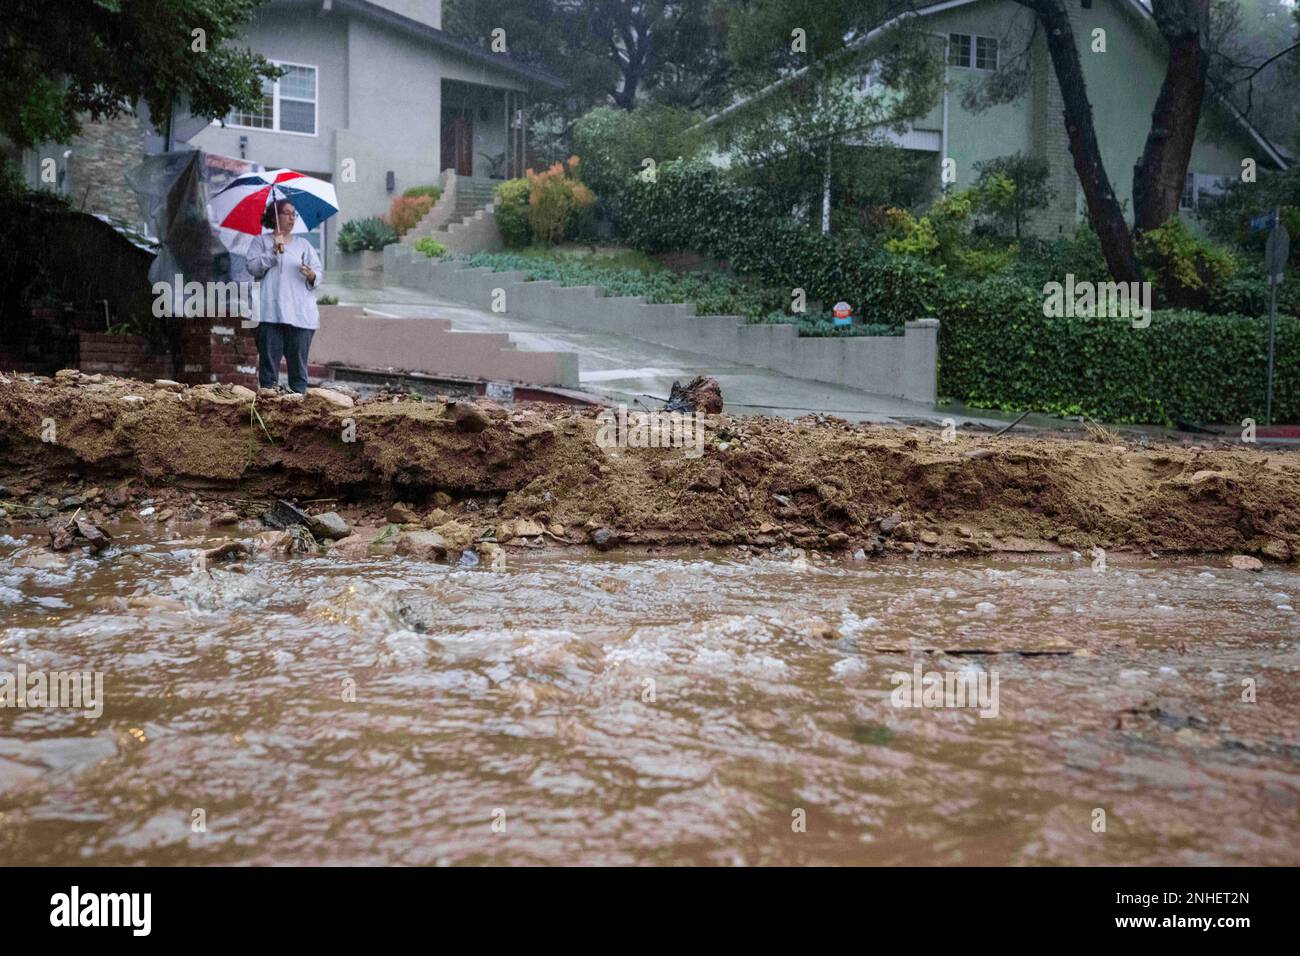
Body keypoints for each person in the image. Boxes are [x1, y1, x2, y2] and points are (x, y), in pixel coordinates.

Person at [246, 199, 324, 393]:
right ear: (274, 216)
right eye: (287, 213)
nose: (292, 217)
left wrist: (312, 275)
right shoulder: (260, 242)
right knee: (268, 375)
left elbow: (318, 272)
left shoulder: (303, 245)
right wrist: (273, 252)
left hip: (300, 316)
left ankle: (298, 415)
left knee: (298, 374)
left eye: (293, 214)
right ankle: (268, 415)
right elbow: (252, 268)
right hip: (269, 315)